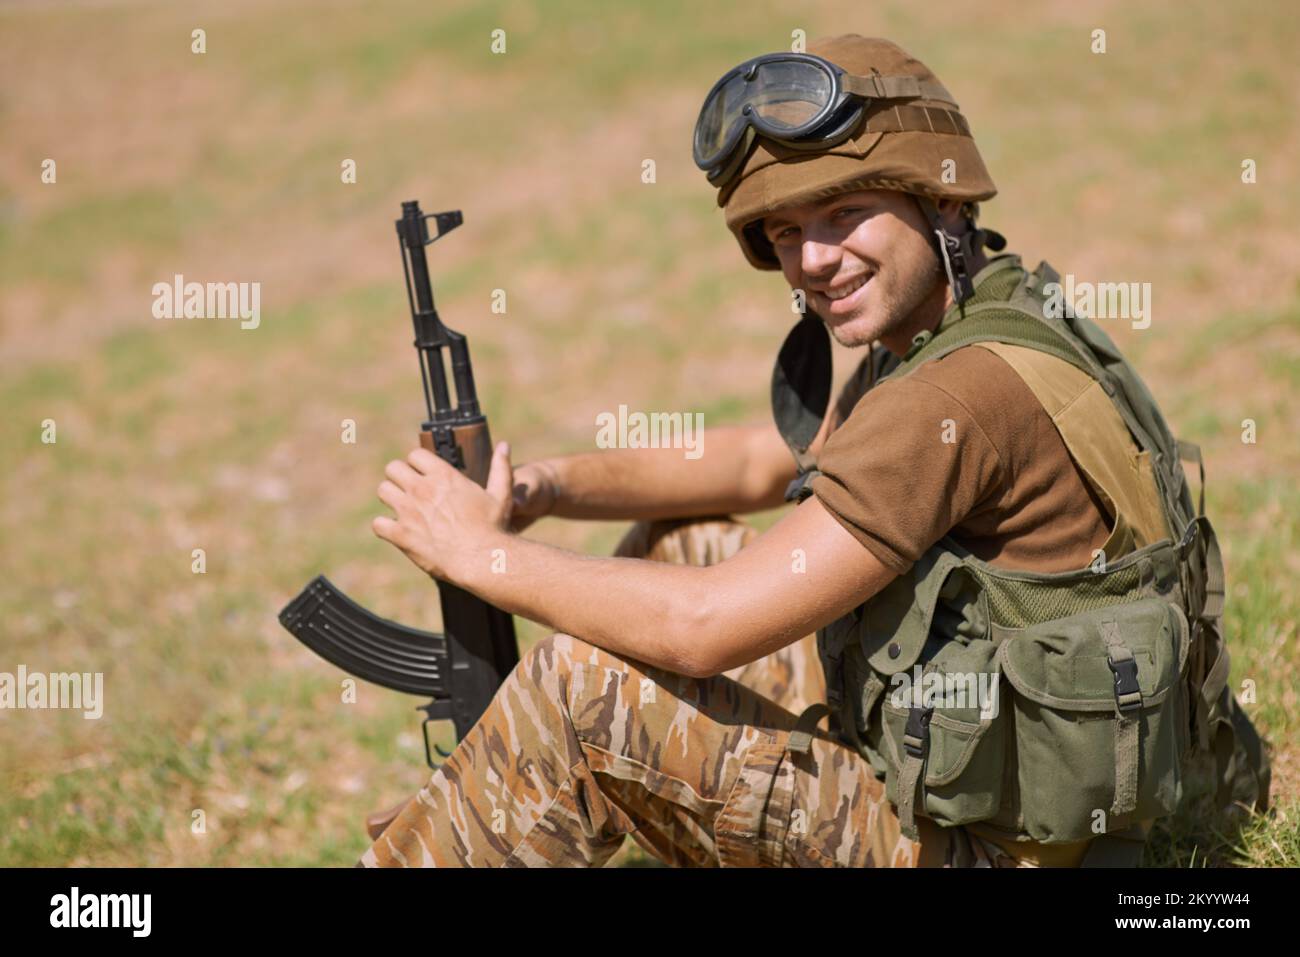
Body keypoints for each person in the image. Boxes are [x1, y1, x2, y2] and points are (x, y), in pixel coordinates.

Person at [359, 34, 1267, 868]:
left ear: (943, 195)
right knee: (689, 544)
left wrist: (479, 553)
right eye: (786, 232)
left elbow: (704, 629)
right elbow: (769, 461)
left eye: (844, 212)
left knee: (577, 685)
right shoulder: (982, 310)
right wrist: (544, 488)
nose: (813, 260)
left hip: (991, 849)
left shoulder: (951, 396)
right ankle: (478, 811)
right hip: (1034, 766)